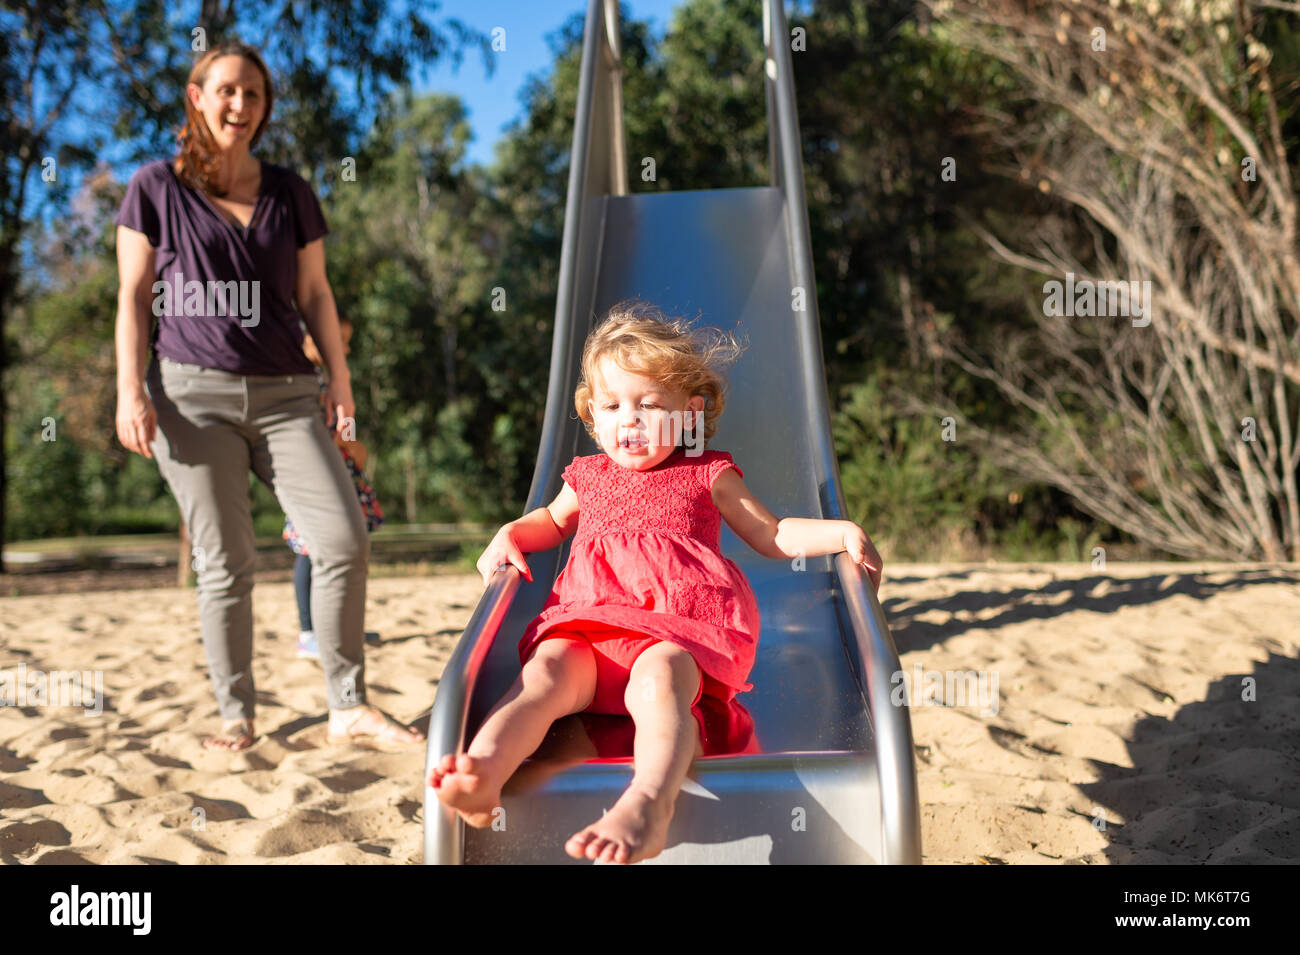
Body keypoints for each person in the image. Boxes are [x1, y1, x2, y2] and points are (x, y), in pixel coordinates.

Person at [429, 300, 884, 864]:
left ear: (689, 414)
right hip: (589, 631)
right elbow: (549, 521)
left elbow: (772, 534)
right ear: (593, 418)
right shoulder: (587, 476)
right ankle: (484, 773)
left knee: (662, 683)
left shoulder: (708, 472)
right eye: (613, 407)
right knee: (543, 676)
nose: (630, 421)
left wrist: (839, 533)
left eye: (649, 405)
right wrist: (510, 533)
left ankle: (648, 804)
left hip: (676, 633)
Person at [112, 41, 422, 751]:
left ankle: (348, 704)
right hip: (191, 397)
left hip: (288, 394)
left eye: (253, 95)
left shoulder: (290, 191)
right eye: (225, 90)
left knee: (342, 537)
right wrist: (130, 389)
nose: (240, 106)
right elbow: (132, 295)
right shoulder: (154, 187)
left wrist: (338, 380)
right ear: (196, 97)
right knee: (226, 563)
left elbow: (315, 291)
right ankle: (237, 715)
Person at [283, 316, 384, 660]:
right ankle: (308, 631)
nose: (346, 348)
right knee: (309, 552)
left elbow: (347, 430)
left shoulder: (331, 380)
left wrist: (353, 447)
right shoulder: (299, 381)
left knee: (344, 549)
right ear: (312, 339)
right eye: (340, 339)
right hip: (312, 475)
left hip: (341, 471)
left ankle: (342, 627)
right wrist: (344, 442)